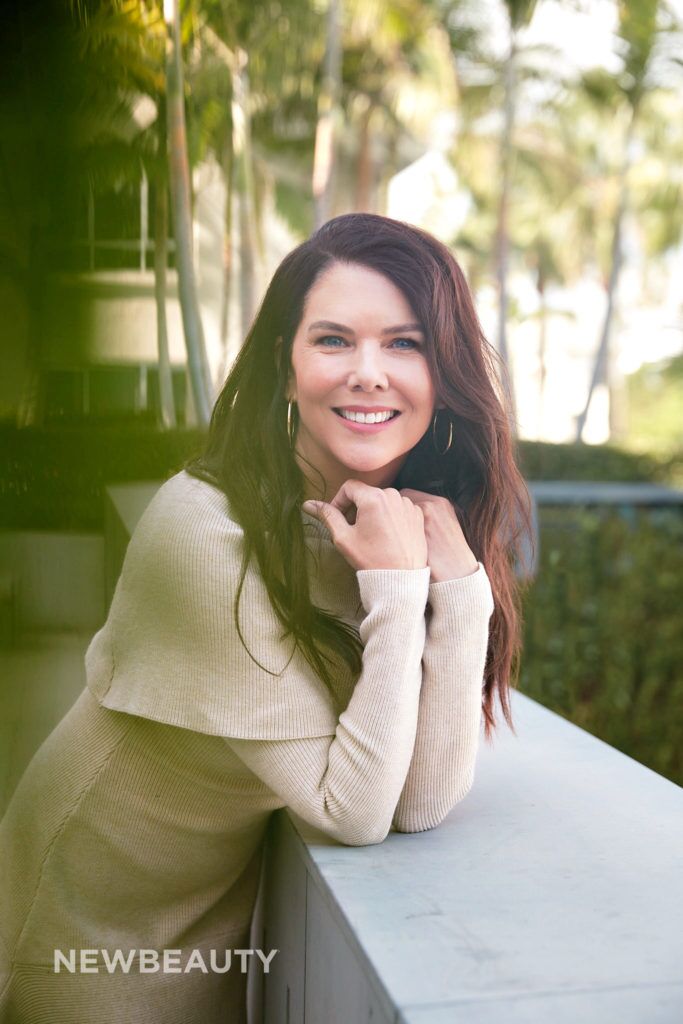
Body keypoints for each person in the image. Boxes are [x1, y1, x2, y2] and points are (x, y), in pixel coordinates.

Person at [0, 212, 533, 1023]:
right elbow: (352, 812)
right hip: (77, 945)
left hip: (206, 951)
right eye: (332, 340)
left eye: (404, 343)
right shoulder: (203, 532)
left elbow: (419, 803)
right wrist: (397, 587)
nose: (367, 373)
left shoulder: (391, 524)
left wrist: (459, 588)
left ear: (444, 372)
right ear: (285, 370)